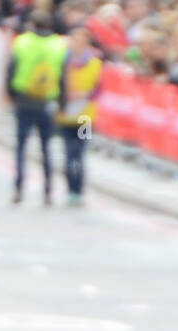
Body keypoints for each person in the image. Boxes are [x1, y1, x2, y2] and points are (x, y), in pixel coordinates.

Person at [7, 8, 68, 205]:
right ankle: (48, 192)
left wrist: (11, 95)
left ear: (32, 25)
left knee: (21, 148)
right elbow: (63, 77)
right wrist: (62, 103)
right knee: (46, 148)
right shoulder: (59, 45)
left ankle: (18, 188)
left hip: (24, 100)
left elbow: (11, 70)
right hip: (47, 102)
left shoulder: (21, 42)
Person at [56, 25, 102, 205]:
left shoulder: (95, 63)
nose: (78, 44)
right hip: (66, 116)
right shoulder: (62, 61)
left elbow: (99, 89)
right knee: (68, 153)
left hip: (85, 117)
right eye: (75, 40)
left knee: (80, 153)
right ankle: (70, 189)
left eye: (82, 41)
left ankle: (79, 188)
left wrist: (85, 94)